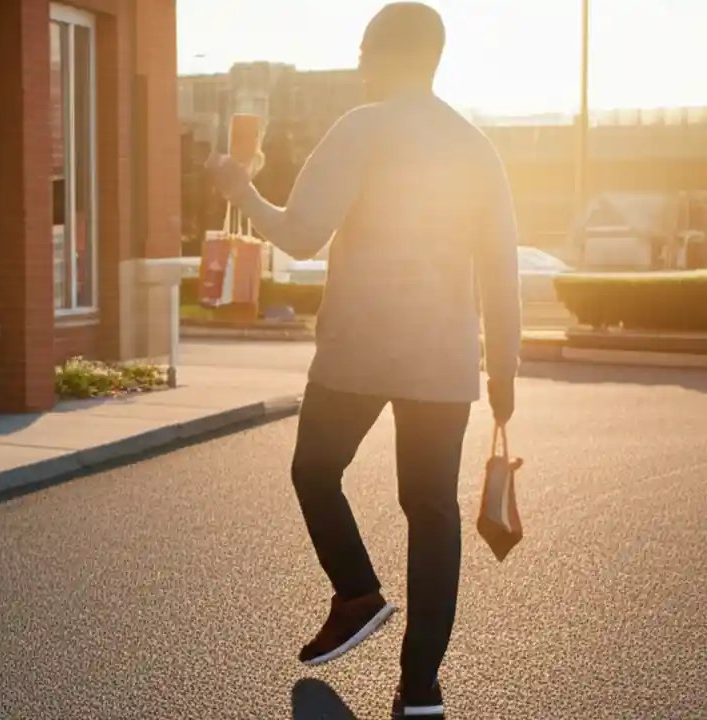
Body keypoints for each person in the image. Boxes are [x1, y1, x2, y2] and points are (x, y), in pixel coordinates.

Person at [205, 4, 521, 718]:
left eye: (362, 51)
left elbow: (300, 235)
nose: (356, 65)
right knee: (433, 512)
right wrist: (503, 371)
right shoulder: (475, 147)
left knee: (315, 472)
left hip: (360, 352)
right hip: (443, 363)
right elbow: (501, 269)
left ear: (382, 56)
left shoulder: (362, 129)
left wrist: (239, 188)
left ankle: (357, 592)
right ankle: (421, 690)